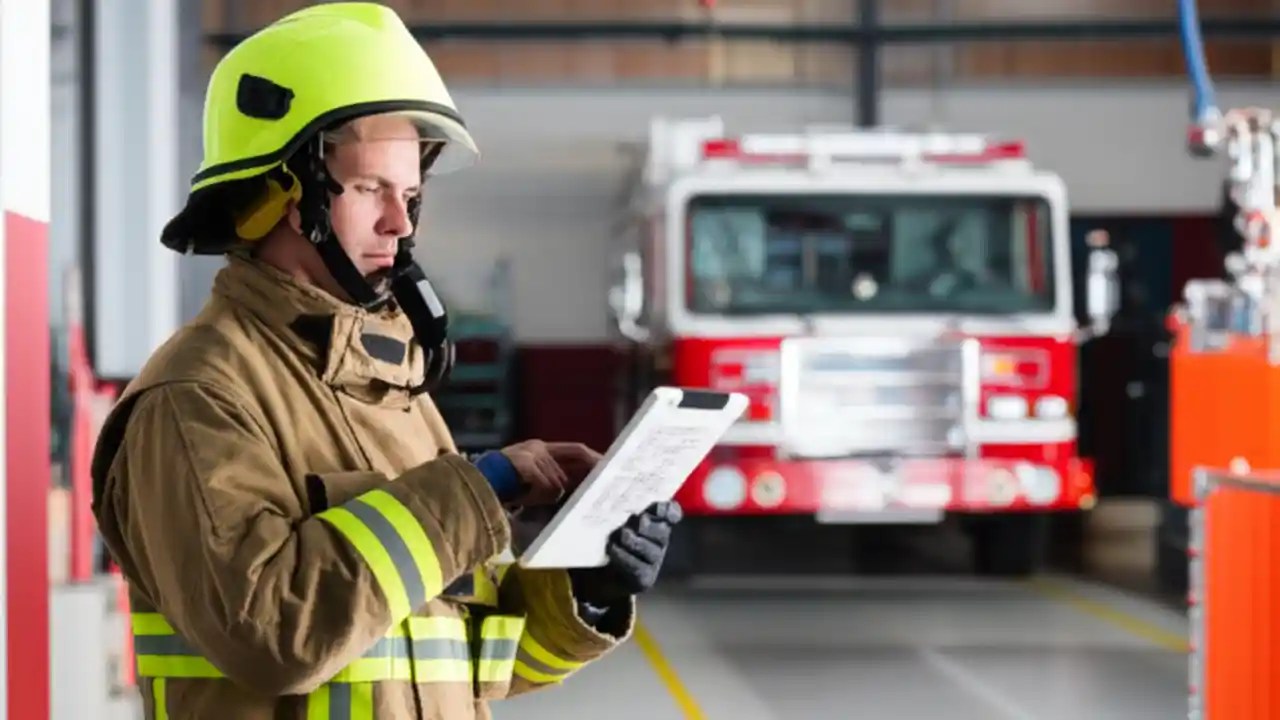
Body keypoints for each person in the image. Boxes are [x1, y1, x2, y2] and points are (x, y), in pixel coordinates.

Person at [89, 4, 682, 718]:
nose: (400, 225)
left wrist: (590, 583)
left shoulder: (387, 390)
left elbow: (461, 662)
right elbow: (277, 635)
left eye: (410, 196)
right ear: (281, 194)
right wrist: (479, 486)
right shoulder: (197, 398)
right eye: (371, 188)